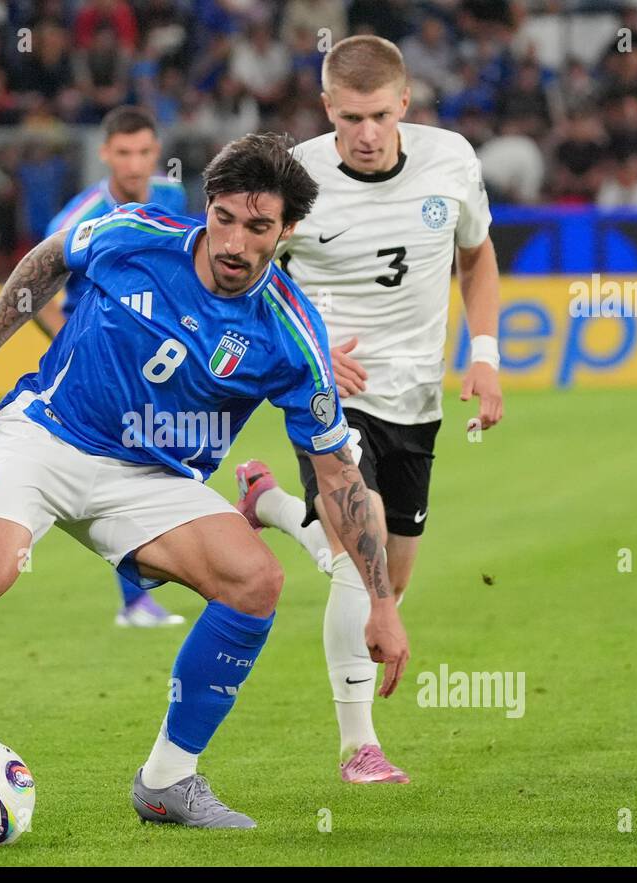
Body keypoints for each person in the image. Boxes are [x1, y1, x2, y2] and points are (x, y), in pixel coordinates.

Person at [0, 133, 411, 832]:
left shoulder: (290, 333)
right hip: (46, 437)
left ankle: (167, 782)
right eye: (226, 219)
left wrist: (382, 604)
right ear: (207, 207)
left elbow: (340, 480)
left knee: (256, 582)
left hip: (149, 480)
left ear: (288, 230)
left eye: (260, 226)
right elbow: (50, 257)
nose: (237, 242)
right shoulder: (134, 232)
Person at [234, 35, 503, 785]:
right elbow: (241, 283)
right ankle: (360, 746)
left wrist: (487, 355)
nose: (367, 133)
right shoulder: (294, 182)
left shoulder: (452, 159)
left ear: (406, 104)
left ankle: (276, 507)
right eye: (350, 117)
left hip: (416, 402)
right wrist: (307, 347)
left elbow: (477, 258)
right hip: (328, 395)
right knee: (366, 555)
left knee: (381, 568)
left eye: (381, 114)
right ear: (327, 109)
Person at [36, 104, 189, 628]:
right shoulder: (75, 220)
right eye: (124, 153)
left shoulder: (171, 196)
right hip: (99, 366)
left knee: (157, 464)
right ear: (105, 154)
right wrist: (74, 342)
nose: (135, 163)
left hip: (152, 359)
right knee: (136, 467)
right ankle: (137, 599)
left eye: (144, 151)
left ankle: (143, 591)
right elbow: (37, 295)